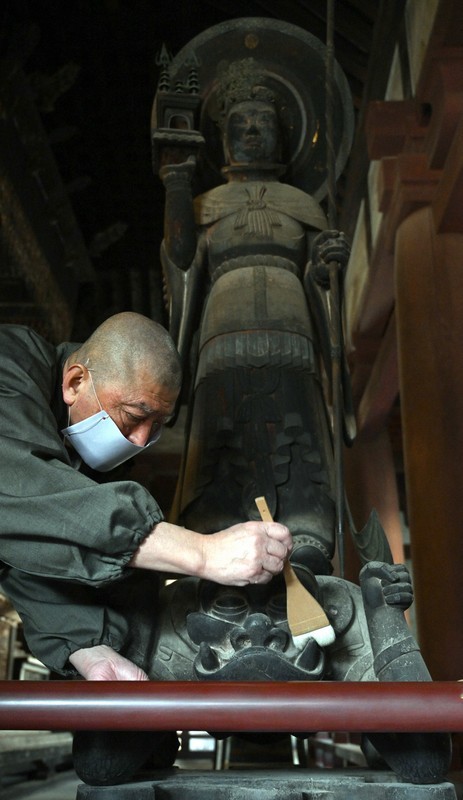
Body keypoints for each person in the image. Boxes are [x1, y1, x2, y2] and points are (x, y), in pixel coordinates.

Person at [0, 311, 291, 784]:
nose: (141, 440)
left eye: (158, 424)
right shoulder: (9, 367)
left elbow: (28, 554)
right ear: (75, 382)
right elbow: (21, 496)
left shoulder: (94, 463)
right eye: (135, 416)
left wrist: (89, 647)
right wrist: (203, 553)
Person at [157, 57, 352, 576]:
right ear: (221, 141)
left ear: (285, 137)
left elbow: (319, 275)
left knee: (299, 430)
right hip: (221, 338)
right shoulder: (206, 204)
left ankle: (307, 532)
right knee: (221, 436)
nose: (251, 131)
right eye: (240, 123)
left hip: (294, 336)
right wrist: (176, 183)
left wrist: (326, 265)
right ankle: (216, 530)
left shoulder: (302, 204)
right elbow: (182, 261)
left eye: (262, 122)